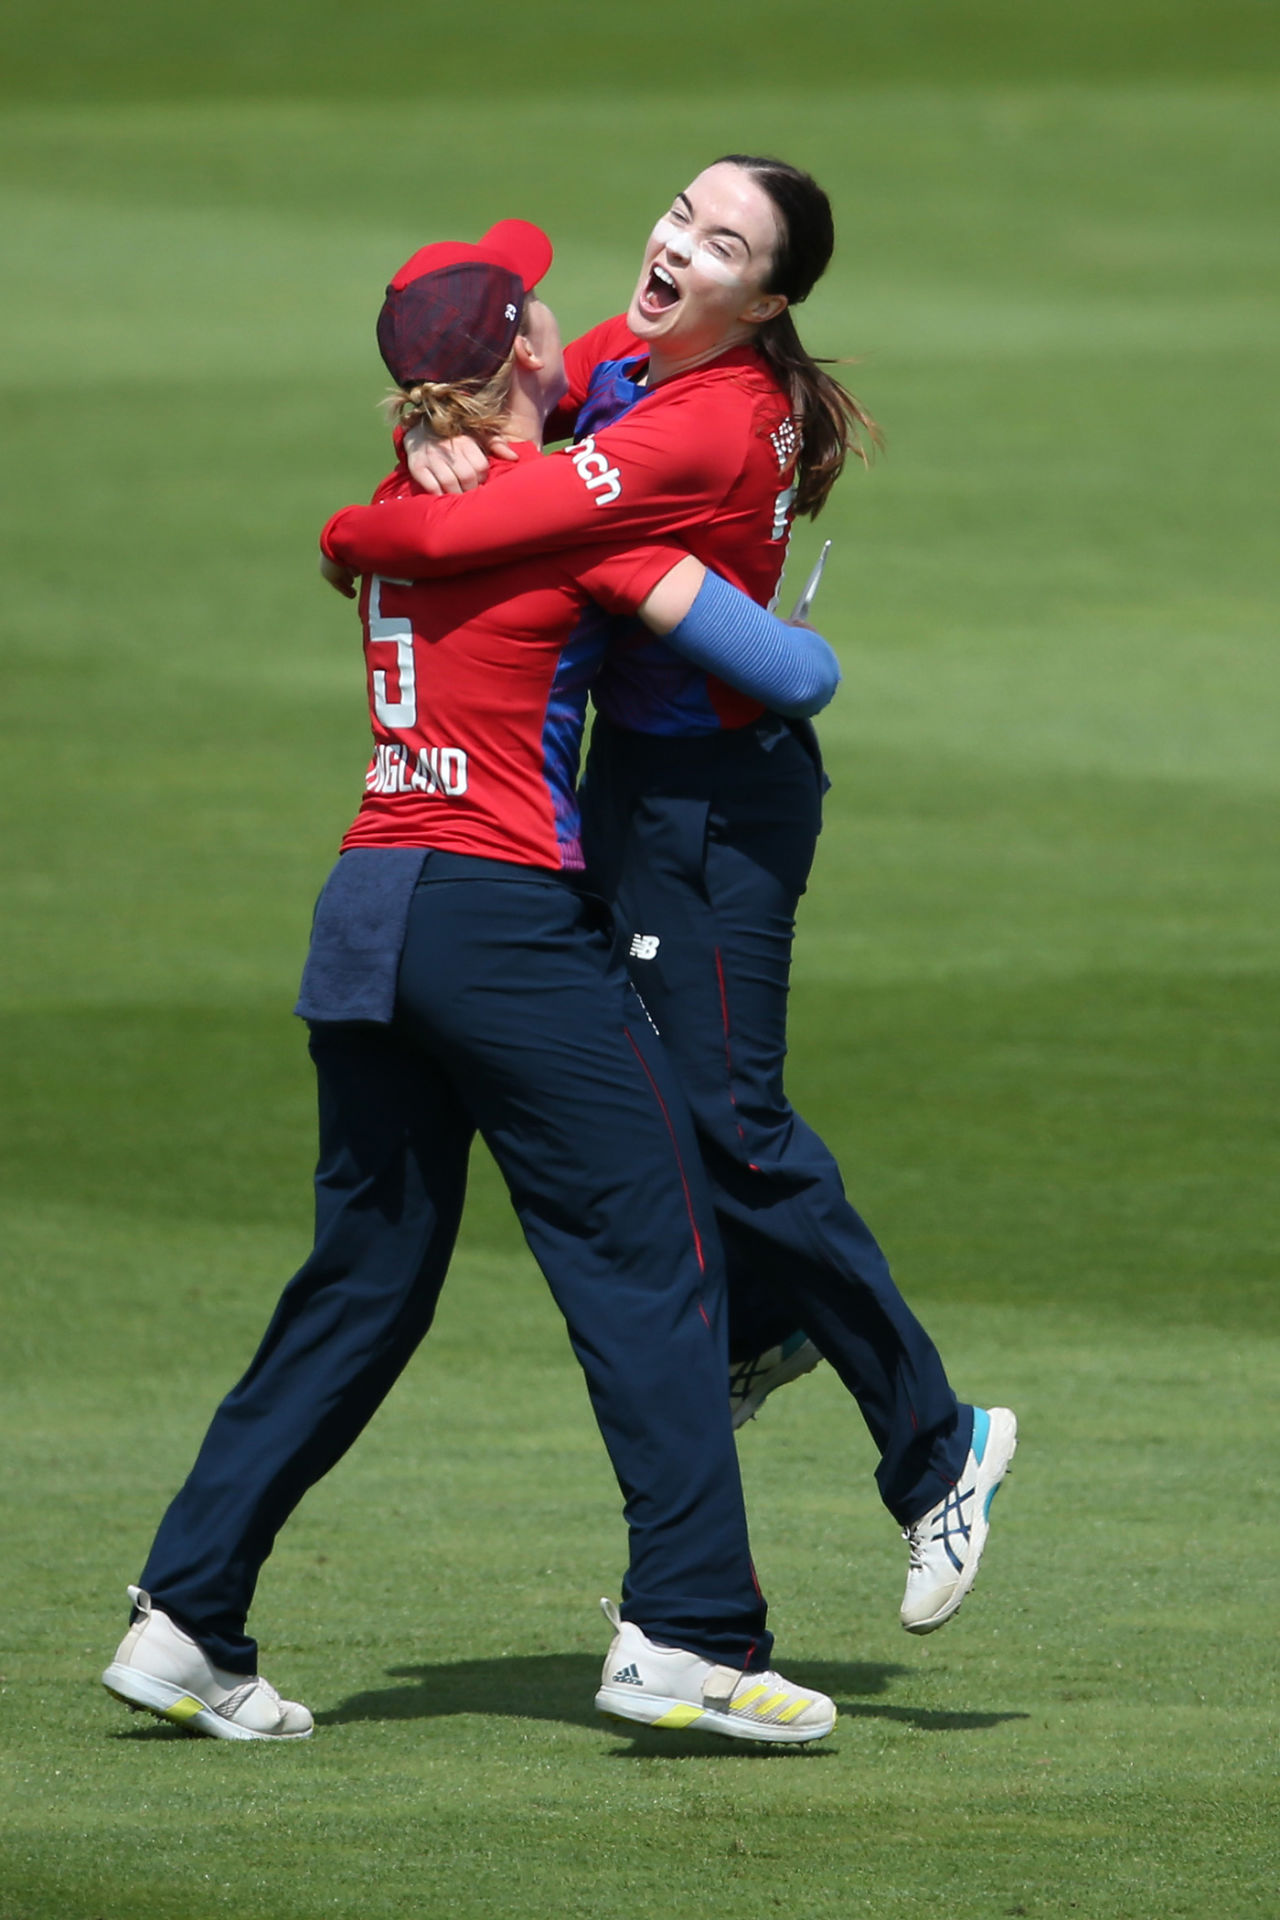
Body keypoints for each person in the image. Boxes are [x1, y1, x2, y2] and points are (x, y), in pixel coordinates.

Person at [102, 220, 844, 1747]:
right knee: (657, 1252)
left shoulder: (407, 493)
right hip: (500, 919)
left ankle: (186, 1618)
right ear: (518, 349)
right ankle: (689, 1637)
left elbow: (359, 539)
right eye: (540, 304)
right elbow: (787, 675)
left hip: (367, 907)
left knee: (362, 1288)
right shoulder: (555, 515)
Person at [320, 158, 1017, 1639]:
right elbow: (501, 406)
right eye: (680, 214)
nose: (675, 244)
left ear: (763, 302)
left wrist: (362, 523)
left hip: (718, 811)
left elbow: (460, 539)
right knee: (654, 1100)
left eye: (722, 243)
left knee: (729, 1120)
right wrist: (449, 438)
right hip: (639, 790)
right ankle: (768, 1325)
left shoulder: (707, 419)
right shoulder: (637, 361)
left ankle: (943, 1444)